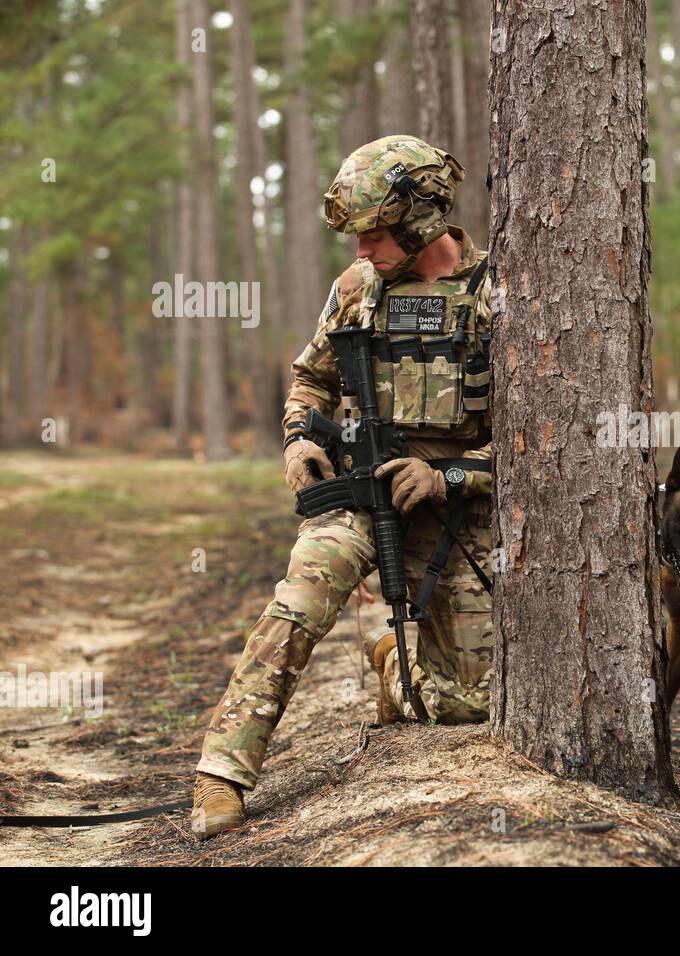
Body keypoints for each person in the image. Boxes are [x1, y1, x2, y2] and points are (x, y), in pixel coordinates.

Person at [190, 136, 496, 840]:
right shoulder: (357, 289)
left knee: (460, 707)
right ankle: (221, 775)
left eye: (377, 235)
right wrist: (298, 437)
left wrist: (447, 473)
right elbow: (311, 379)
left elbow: (536, 446)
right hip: (362, 495)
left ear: (423, 220)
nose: (363, 251)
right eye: (357, 236)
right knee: (301, 597)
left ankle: (397, 662)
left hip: (458, 511)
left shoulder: (495, 293)